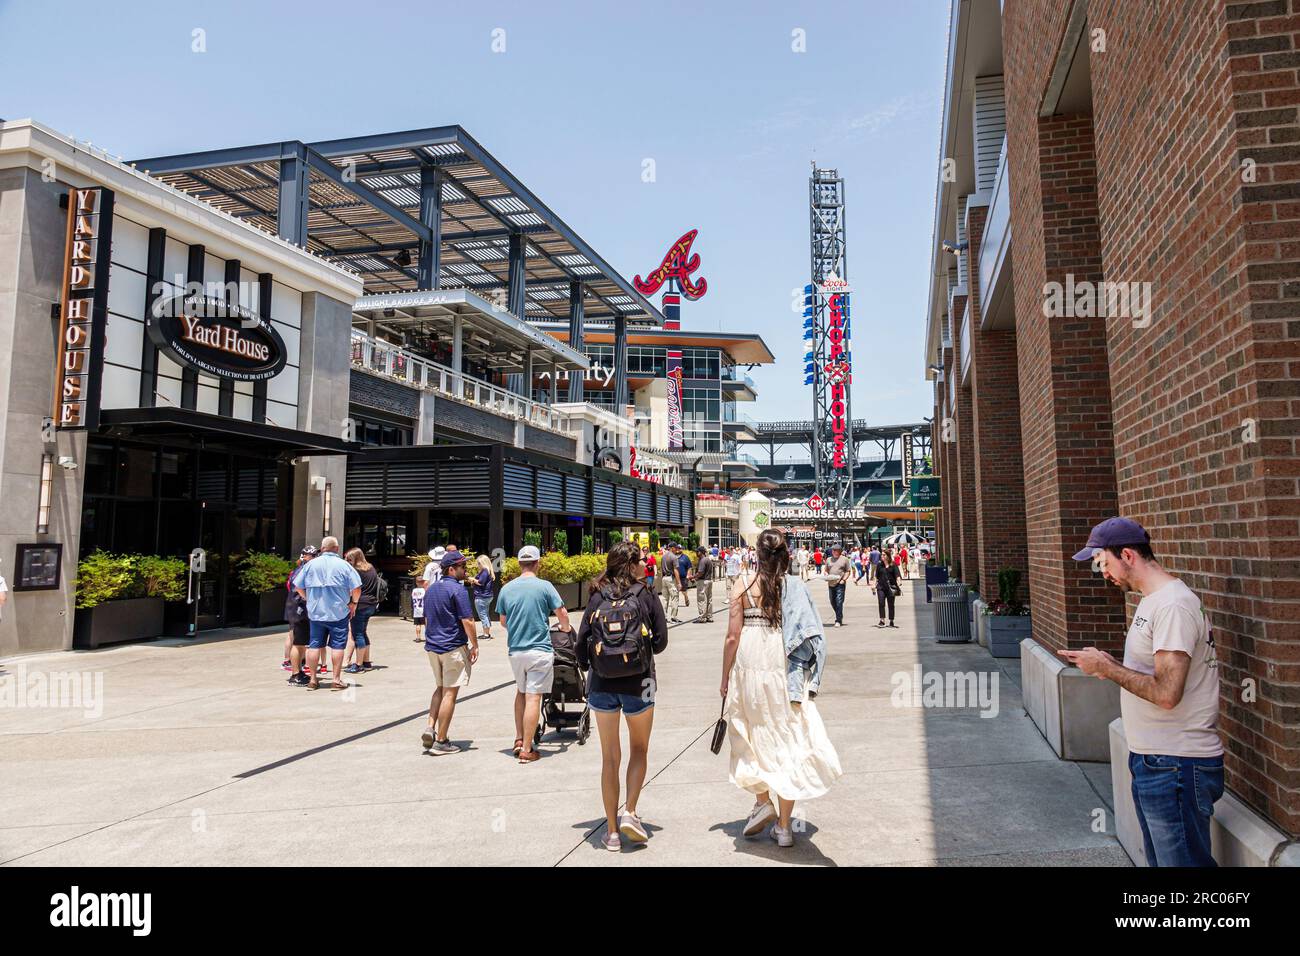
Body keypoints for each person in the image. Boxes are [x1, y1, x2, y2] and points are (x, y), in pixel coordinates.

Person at [1061, 517, 1223, 867]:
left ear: (1128, 555)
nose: (1102, 572)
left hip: (1176, 765)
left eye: (1103, 562)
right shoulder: (1153, 602)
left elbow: (1167, 692)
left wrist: (1107, 668)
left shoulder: (1172, 606)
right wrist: (1108, 663)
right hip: (1159, 761)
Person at [721, 528, 841, 848]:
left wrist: (723, 678)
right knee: (786, 737)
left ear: (756, 555)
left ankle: (763, 800)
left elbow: (732, 637)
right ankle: (785, 828)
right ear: (786, 555)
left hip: (749, 659)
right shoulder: (793, 586)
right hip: (782, 662)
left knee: (745, 730)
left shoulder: (742, 584)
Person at [575, 541, 669, 851]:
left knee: (609, 757)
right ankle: (630, 811)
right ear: (630, 565)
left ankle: (612, 833)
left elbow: (581, 644)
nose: (645, 564)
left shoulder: (597, 596)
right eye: (641, 560)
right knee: (639, 749)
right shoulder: (646, 594)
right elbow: (660, 642)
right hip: (640, 683)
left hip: (602, 684)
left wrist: (597, 664)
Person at [496, 545, 574, 764]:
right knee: (534, 697)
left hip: (516, 651)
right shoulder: (545, 586)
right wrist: (565, 628)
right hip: (539, 650)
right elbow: (562, 613)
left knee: (520, 692)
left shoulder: (507, 588)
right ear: (538, 563)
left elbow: (503, 621)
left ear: (520, 564)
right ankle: (527, 750)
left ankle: (519, 739)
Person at [421, 551, 480, 755]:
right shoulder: (459, 590)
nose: (466, 570)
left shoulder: (431, 589)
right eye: (463, 567)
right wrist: (475, 645)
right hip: (452, 647)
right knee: (450, 693)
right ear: (451, 569)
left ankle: (430, 726)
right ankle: (442, 740)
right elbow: (468, 620)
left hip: (433, 647)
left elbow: (427, 618)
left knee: (439, 688)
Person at [292, 537, 362, 691]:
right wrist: (353, 603)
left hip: (316, 612)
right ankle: (336, 680)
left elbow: (297, 586)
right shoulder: (344, 565)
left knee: (314, 645)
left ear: (322, 548)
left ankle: (313, 679)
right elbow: (357, 588)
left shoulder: (310, 565)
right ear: (336, 549)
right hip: (339, 612)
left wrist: (308, 598)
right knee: (338, 646)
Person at [343, 548, 380, 673]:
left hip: (359, 604)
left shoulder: (355, 571)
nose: (347, 561)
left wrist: (352, 603)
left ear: (355, 558)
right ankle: (366, 661)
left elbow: (353, 588)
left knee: (357, 633)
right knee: (363, 633)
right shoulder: (371, 568)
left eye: (349, 559)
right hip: (371, 603)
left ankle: (358, 665)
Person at [284, 546, 317, 685]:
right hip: (299, 611)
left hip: (297, 610)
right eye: (313, 555)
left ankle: (298, 671)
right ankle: (295, 674)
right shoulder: (302, 571)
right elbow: (299, 590)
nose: (315, 558)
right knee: (298, 644)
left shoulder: (300, 570)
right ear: (305, 556)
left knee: (301, 643)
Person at [823, 543, 852, 628]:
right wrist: (825, 574)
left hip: (840, 583)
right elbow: (826, 570)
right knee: (832, 601)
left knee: (839, 601)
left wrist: (844, 580)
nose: (834, 552)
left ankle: (838, 620)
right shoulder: (828, 559)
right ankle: (839, 615)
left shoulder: (845, 559)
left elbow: (848, 571)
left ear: (839, 551)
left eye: (835, 550)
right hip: (830, 583)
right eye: (833, 550)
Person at [472, 554, 496, 640]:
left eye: (479, 563)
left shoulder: (485, 571)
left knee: (483, 615)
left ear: (483, 563)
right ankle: (487, 633)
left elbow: (480, 582)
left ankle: (486, 634)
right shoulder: (488, 571)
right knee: (485, 614)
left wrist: (472, 579)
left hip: (482, 596)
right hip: (487, 596)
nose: (478, 565)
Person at [873, 550, 899, 628]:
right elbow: (876, 577)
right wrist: (873, 585)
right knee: (881, 603)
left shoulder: (893, 565)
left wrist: (899, 581)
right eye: (882, 555)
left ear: (888, 556)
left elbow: (897, 575)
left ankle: (891, 620)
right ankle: (882, 620)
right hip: (881, 587)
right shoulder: (879, 565)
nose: (882, 556)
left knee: (891, 605)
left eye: (884, 555)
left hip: (891, 587)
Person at [694, 547, 716, 623]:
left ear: (701, 552)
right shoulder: (708, 560)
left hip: (703, 582)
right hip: (709, 580)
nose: (696, 553)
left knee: (702, 600)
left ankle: (702, 617)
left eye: (697, 552)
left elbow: (700, 572)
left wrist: (693, 577)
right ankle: (709, 616)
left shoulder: (702, 561)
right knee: (709, 599)